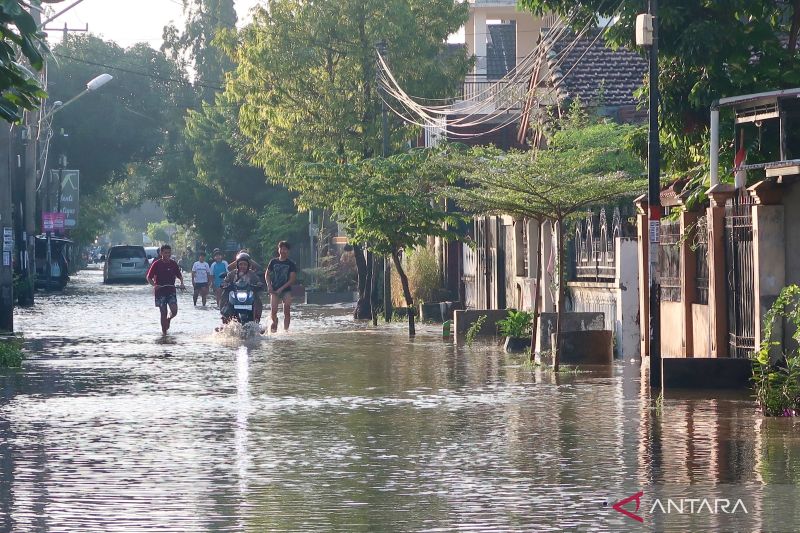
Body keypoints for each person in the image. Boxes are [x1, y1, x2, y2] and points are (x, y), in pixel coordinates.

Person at [146, 244, 185, 335]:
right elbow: (148, 277)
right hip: (160, 292)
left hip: (171, 291)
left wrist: (182, 283)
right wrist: (155, 285)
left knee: (174, 311)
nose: (168, 254)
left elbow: (179, 275)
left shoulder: (173, 263)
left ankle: (169, 319)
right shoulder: (156, 264)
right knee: (163, 312)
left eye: (169, 253)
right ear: (161, 253)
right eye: (166, 253)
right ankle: (164, 334)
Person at [220, 256, 264, 324]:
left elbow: (257, 281)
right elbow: (226, 280)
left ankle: (257, 320)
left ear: (248, 266)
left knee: (257, 301)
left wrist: (259, 284)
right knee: (225, 297)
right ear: (237, 265)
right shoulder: (233, 273)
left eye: (245, 264)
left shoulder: (252, 273)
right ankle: (225, 321)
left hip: (249, 297)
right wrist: (224, 284)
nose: (243, 266)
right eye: (241, 264)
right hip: (234, 297)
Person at [266, 241, 298, 332]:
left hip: (286, 290)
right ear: (278, 249)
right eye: (281, 249)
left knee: (287, 310)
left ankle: (286, 330)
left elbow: (292, 279)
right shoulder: (273, 262)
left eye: (285, 249)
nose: (283, 251)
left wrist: (282, 288)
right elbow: (267, 274)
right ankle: (275, 322)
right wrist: (269, 286)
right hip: (274, 289)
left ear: (288, 251)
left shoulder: (291, 264)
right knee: (273, 311)